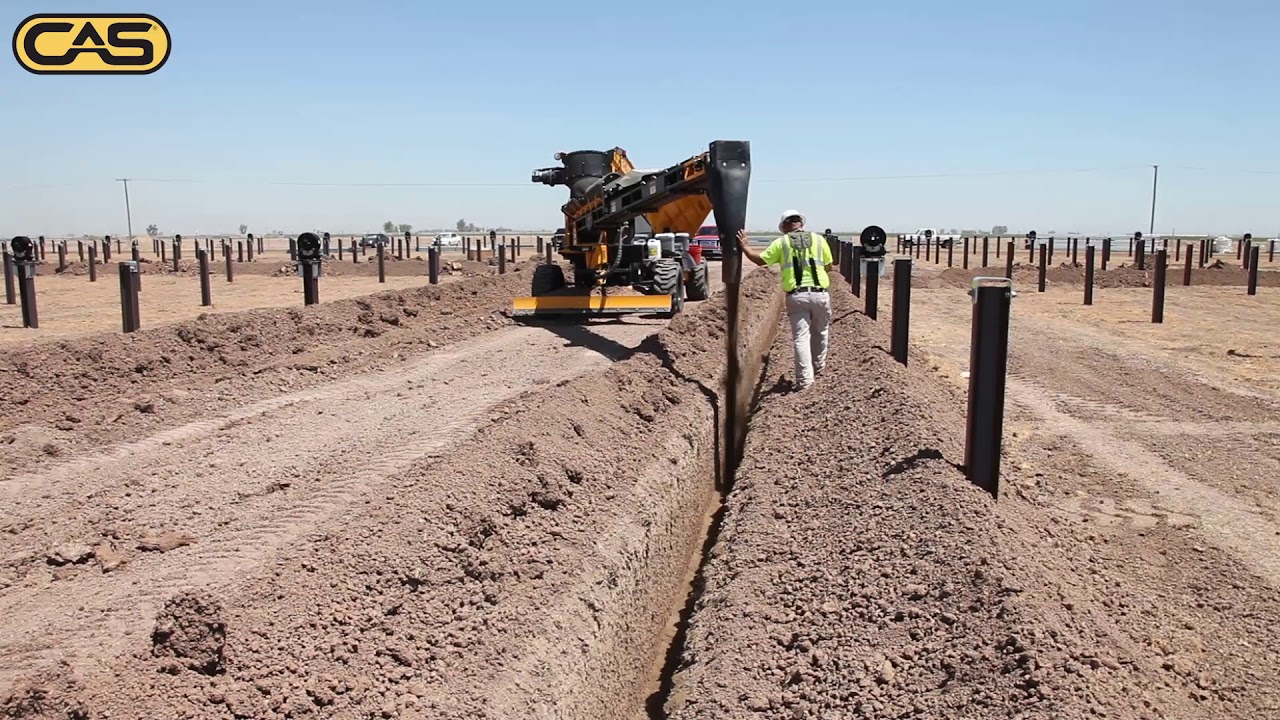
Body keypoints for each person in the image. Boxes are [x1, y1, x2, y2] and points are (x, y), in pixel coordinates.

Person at [737, 210, 833, 392]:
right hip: (820, 294)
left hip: (797, 296)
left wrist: (745, 247)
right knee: (821, 332)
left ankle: (805, 382)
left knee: (801, 338)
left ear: (785, 226)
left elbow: (761, 260)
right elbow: (828, 266)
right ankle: (819, 370)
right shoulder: (820, 240)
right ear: (800, 223)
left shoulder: (782, 243)